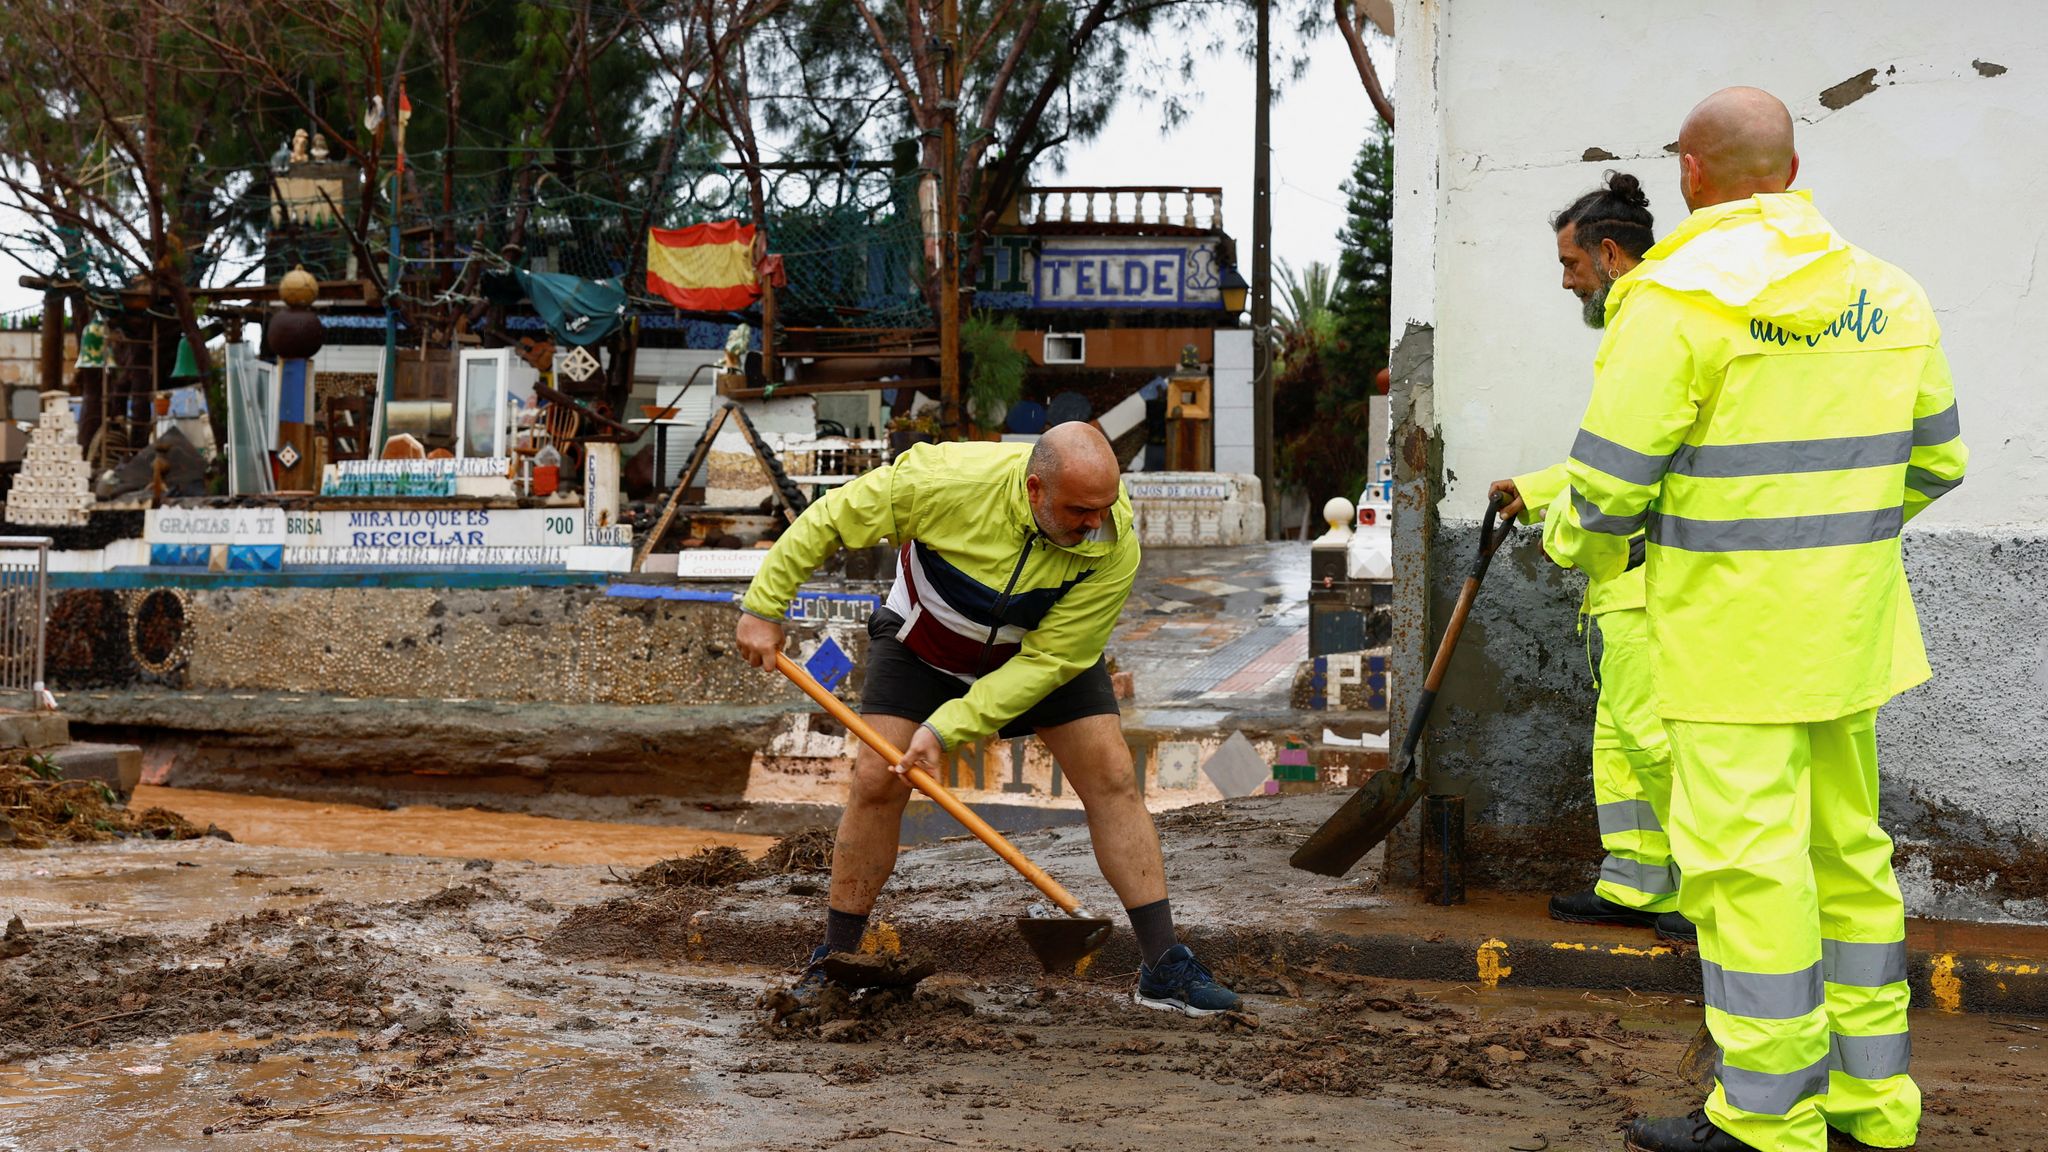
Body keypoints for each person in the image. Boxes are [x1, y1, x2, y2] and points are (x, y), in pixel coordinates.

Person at [1542, 88, 1965, 1152]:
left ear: (1691, 171)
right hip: (1850, 633)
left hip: (1728, 647)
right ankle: (1873, 1108)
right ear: (1786, 165)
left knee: (1744, 874)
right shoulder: (1888, 292)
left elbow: (1601, 495)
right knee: (1846, 865)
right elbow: (1938, 461)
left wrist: (1577, 551)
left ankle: (1767, 1120)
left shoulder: (1676, 298)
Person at [735, 421, 1241, 1017]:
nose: (1094, 524)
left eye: (1103, 508)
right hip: (926, 638)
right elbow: (830, 518)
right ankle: (835, 963)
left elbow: (1053, 660)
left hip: (1037, 652)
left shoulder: (1114, 540)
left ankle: (1164, 966)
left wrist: (947, 727)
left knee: (1112, 778)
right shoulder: (944, 480)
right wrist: (765, 607)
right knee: (875, 780)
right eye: (1079, 510)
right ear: (1034, 490)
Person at [1491, 172, 1696, 946]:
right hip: (1626, 591)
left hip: (1648, 584)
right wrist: (1539, 488)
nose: (1569, 282)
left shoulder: (1648, 320)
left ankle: (1702, 895)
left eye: (1571, 266)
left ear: (1609, 254)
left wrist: (1560, 529)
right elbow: (1614, 456)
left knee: (1654, 743)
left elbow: (1618, 479)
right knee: (1619, 744)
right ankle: (1637, 884)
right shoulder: (1644, 319)